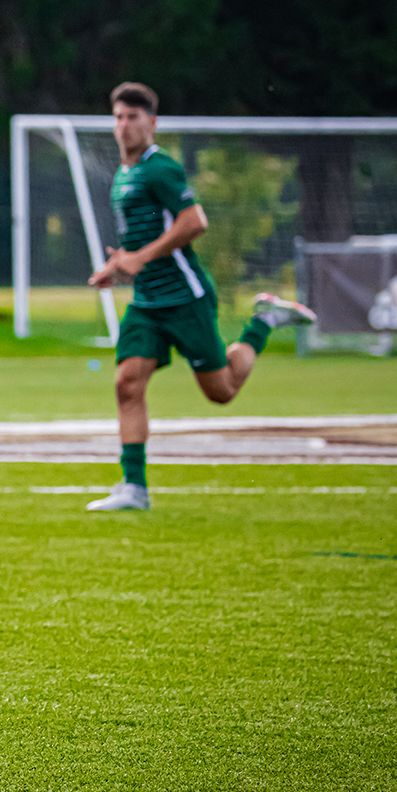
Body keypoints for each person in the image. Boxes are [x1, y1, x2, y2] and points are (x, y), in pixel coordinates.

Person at [83, 82, 315, 512]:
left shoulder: (161, 168)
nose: (124, 125)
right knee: (126, 383)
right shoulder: (123, 176)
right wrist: (118, 267)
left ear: (152, 123)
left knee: (222, 390)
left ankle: (262, 322)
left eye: (133, 117)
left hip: (184, 297)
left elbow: (195, 221)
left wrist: (138, 259)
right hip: (148, 301)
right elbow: (141, 242)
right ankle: (134, 487)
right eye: (118, 117)